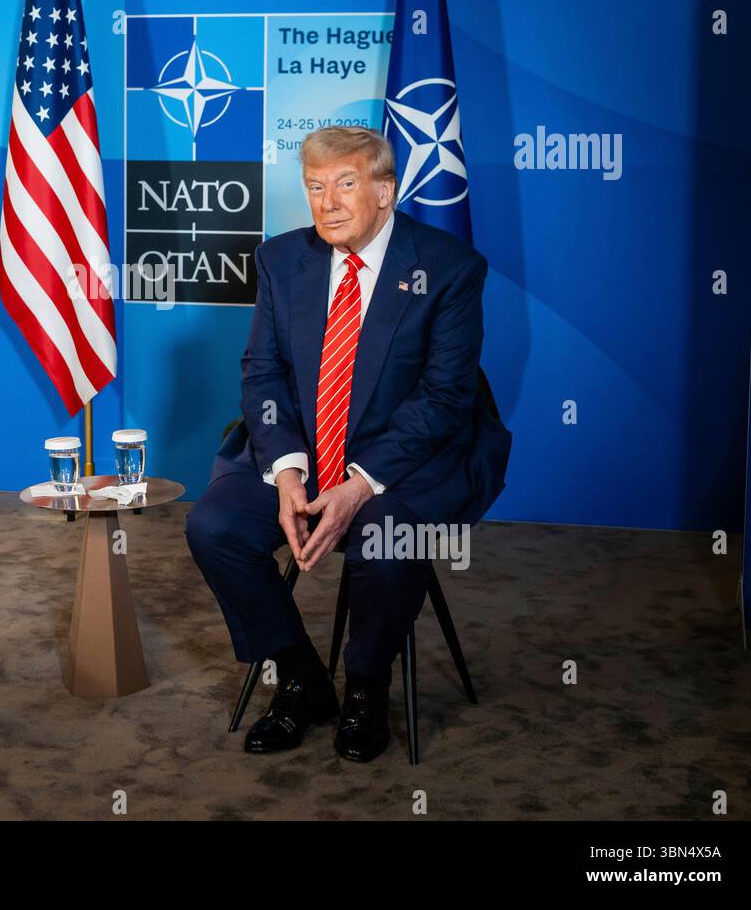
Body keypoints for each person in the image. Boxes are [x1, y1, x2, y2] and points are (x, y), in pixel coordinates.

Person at [185, 125, 509, 762]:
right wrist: (285, 473)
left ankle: (366, 685)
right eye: (314, 187)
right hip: (302, 450)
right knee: (214, 526)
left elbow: (446, 398)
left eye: (346, 184)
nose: (327, 202)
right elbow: (263, 373)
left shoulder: (448, 268)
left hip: (405, 464)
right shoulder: (282, 260)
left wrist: (359, 484)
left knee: (387, 541)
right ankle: (302, 679)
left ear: (385, 192)